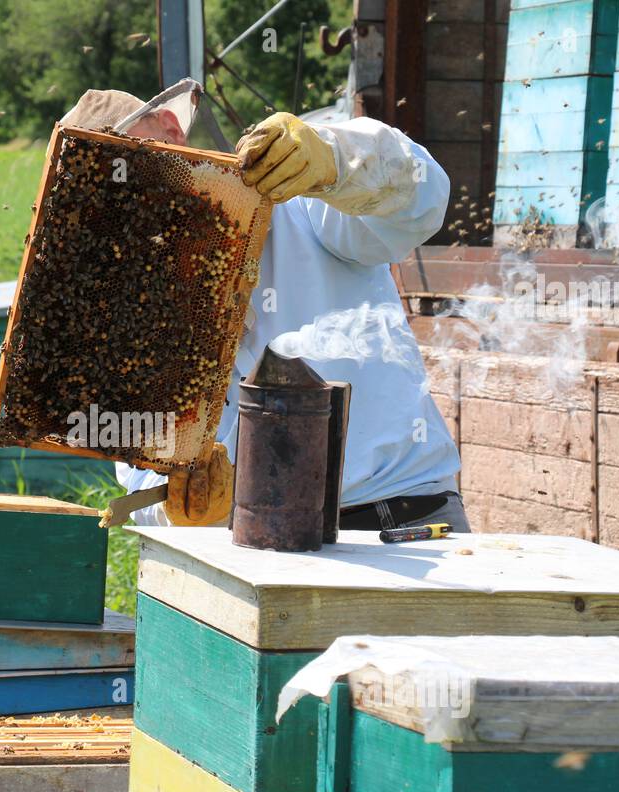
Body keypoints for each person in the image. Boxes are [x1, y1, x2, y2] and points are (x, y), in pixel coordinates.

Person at [58, 88, 467, 533]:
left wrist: (334, 159)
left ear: (170, 129)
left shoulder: (300, 199)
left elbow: (421, 204)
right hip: (256, 546)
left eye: (118, 159)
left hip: (397, 522)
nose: (117, 188)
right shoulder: (119, 304)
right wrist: (179, 506)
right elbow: (140, 472)